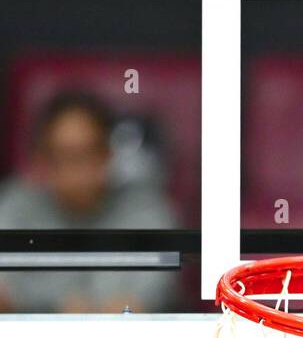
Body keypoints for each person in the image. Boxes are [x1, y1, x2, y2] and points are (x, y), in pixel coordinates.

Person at [0, 90, 177, 314]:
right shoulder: (14, 207)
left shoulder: (146, 211)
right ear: (40, 160)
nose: (76, 171)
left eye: (88, 153)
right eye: (62, 156)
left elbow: (152, 298)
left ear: (108, 154)